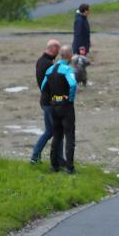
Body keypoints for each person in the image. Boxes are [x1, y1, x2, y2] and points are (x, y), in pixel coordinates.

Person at [41, 45, 79, 173]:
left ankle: (54, 166)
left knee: (57, 136)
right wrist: (70, 98)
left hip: (54, 105)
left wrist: (52, 95)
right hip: (65, 106)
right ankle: (69, 167)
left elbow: (43, 87)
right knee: (69, 136)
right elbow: (73, 84)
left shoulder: (50, 69)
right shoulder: (67, 70)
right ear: (70, 56)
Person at [31, 39, 61, 164]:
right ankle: (58, 160)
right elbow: (54, 86)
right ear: (53, 49)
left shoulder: (40, 61)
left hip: (44, 101)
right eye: (58, 50)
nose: (58, 53)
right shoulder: (49, 65)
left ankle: (35, 157)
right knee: (57, 131)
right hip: (50, 102)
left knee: (50, 131)